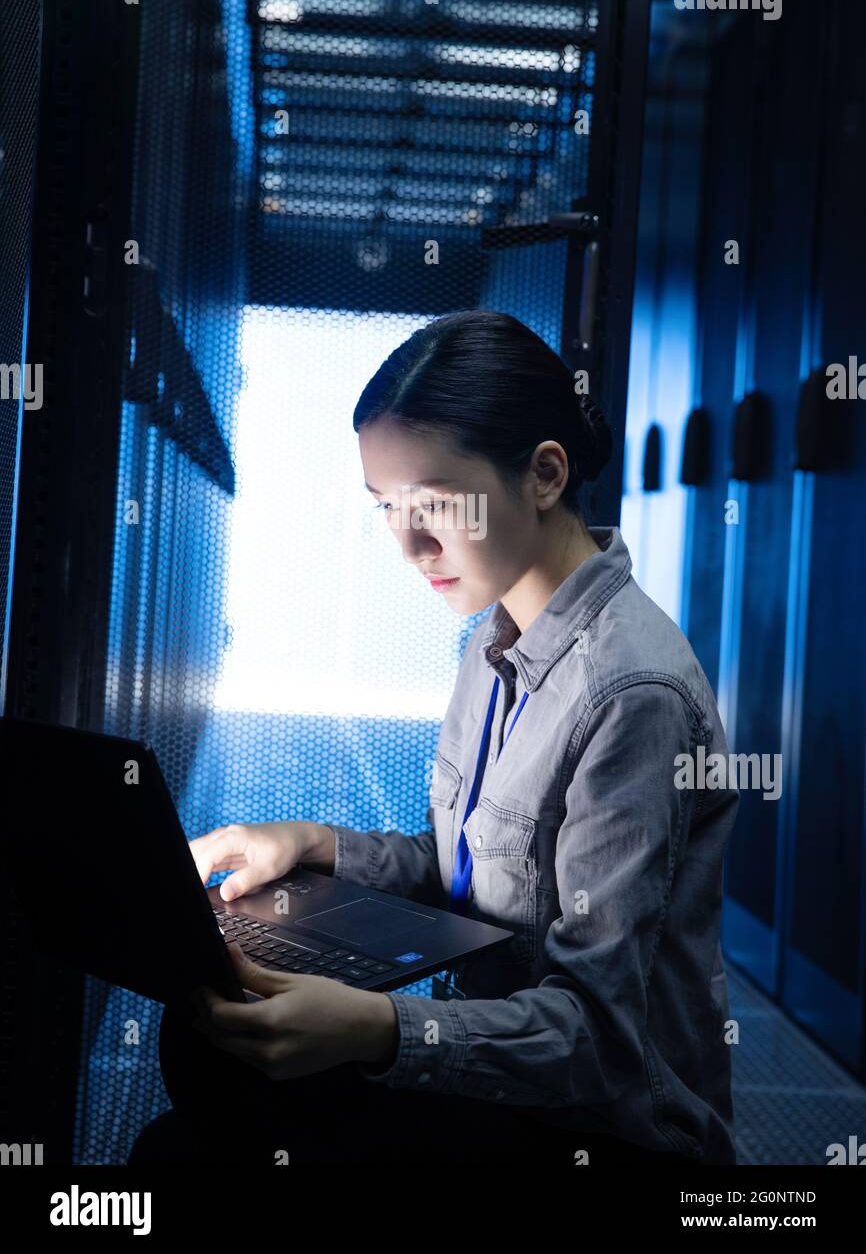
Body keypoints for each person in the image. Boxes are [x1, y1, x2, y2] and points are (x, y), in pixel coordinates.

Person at [128, 310, 738, 1167]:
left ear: (545, 475)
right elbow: (481, 876)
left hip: (608, 1131)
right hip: (510, 1079)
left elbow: (601, 1035)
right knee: (205, 1050)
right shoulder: (495, 639)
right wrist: (311, 844)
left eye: (434, 505)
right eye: (385, 507)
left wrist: (379, 1030)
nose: (409, 545)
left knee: (185, 1157)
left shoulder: (631, 693)